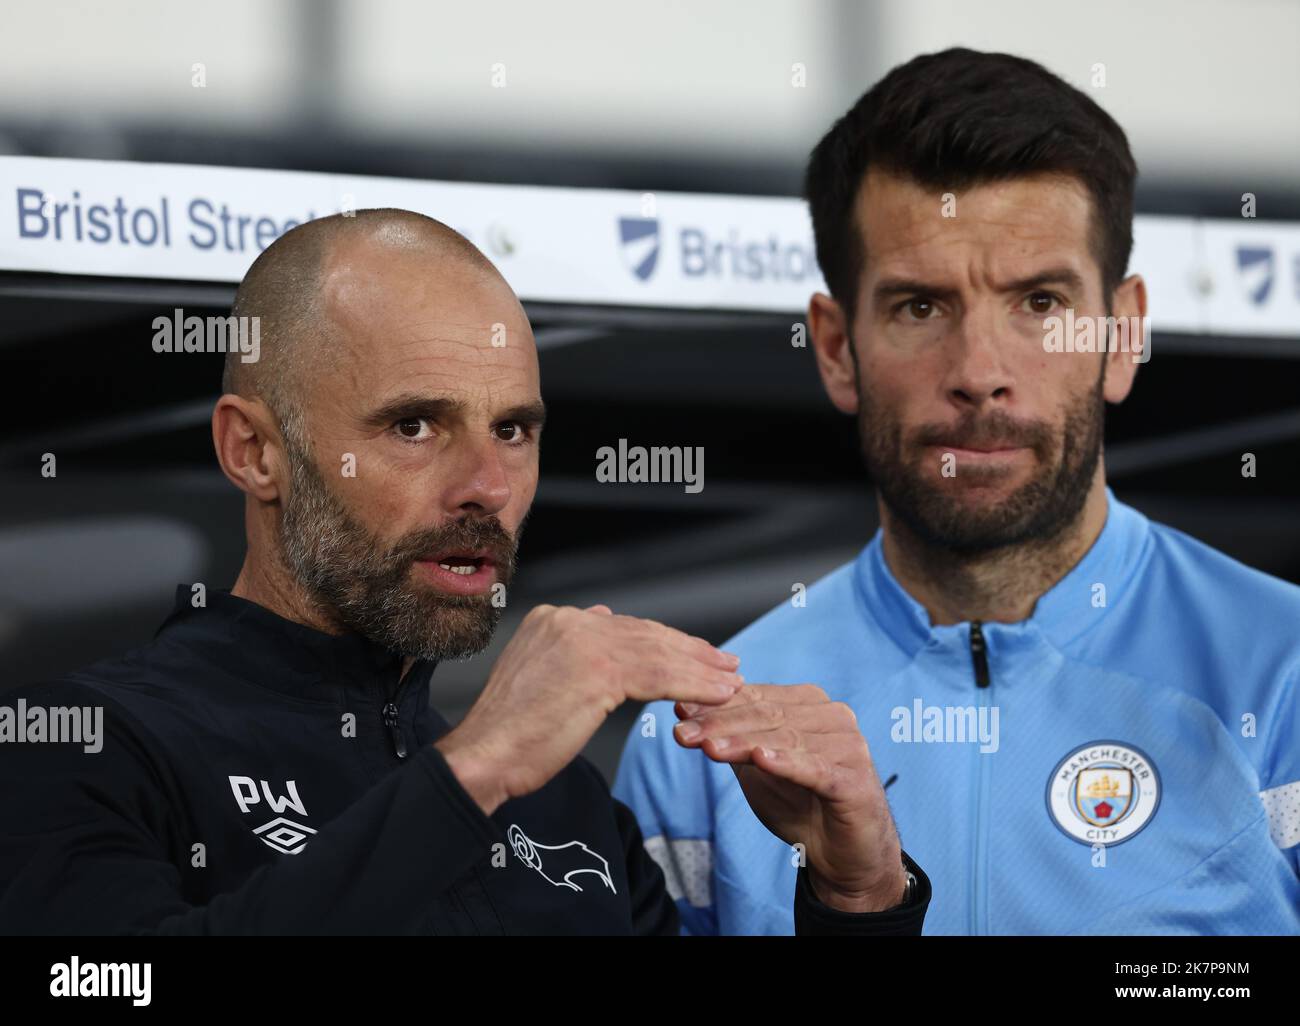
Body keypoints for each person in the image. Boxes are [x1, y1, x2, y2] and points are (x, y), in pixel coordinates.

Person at [0, 209, 928, 935]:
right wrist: (475, 770)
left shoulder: (571, 809)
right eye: (413, 426)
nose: (486, 487)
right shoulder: (77, 748)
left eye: (513, 430)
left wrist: (859, 899)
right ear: (253, 451)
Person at [614, 48, 1300, 935]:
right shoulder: (700, 743)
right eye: (920, 308)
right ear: (834, 348)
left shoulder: (1284, 674)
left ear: (1123, 335)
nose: (980, 374)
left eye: (1040, 303)